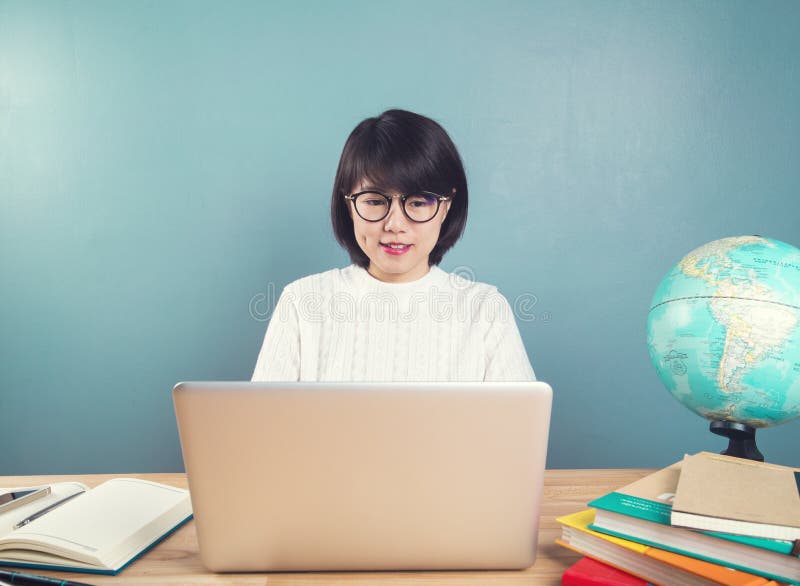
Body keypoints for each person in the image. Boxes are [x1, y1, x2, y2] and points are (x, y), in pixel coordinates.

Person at [252, 109, 535, 382]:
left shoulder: (484, 310)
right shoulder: (302, 303)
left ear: (447, 206)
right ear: (348, 204)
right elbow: (261, 426)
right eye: (375, 201)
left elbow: (518, 429)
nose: (395, 225)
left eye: (418, 202)